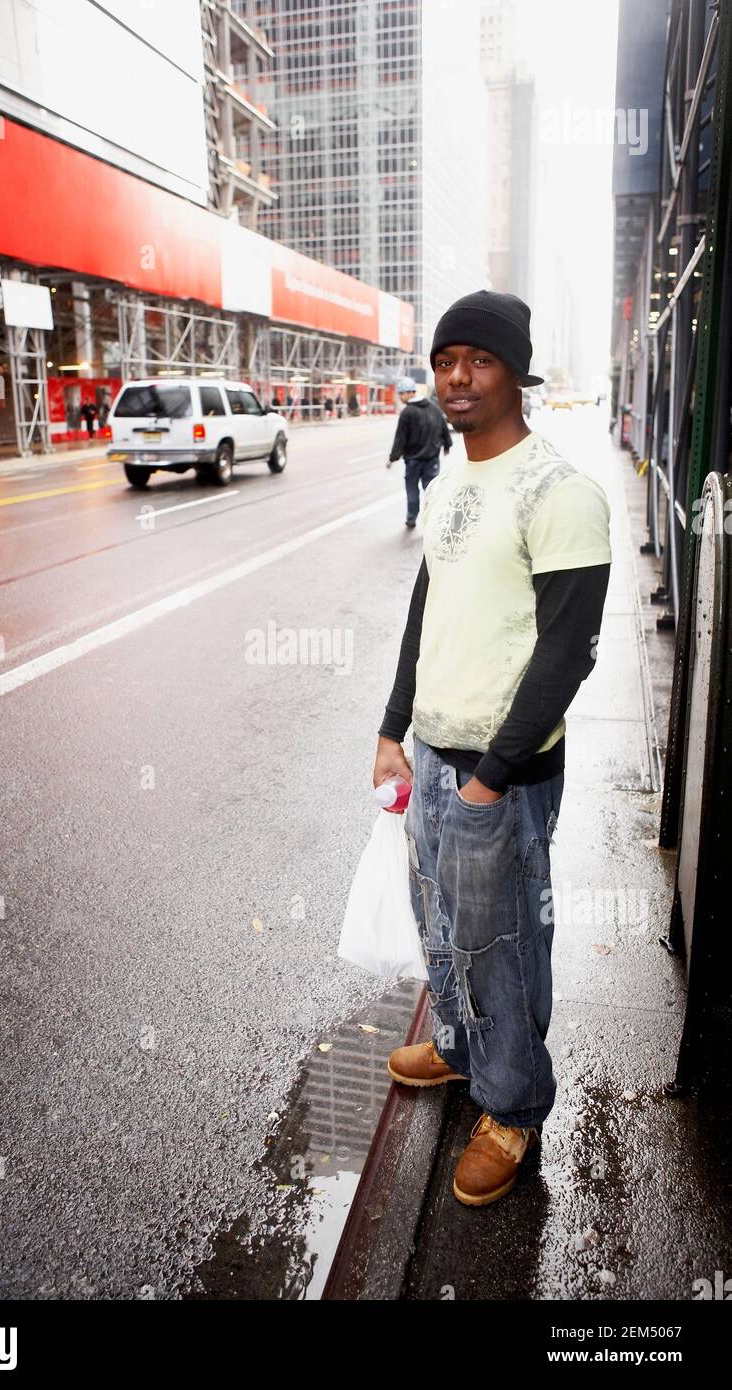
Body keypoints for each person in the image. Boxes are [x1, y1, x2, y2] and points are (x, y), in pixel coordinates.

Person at [373, 290, 612, 1206]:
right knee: (440, 920)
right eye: (444, 361)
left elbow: (568, 652)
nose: (456, 377)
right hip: (432, 754)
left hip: (500, 772)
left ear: (516, 371)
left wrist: (494, 778)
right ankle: (462, 1048)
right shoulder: (451, 484)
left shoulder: (561, 491)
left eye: (477, 359)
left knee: (504, 938)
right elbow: (426, 612)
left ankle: (511, 1106)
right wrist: (395, 729)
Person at [386, 377, 451, 527]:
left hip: (413, 461)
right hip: (432, 460)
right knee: (431, 492)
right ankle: (432, 520)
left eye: (401, 394)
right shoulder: (433, 407)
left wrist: (392, 458)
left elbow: (400, 439)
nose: (400, 397)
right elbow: (443, 427)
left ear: (409, 393)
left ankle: (411, 518)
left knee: (412, 490)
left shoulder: (407, 412)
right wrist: (447, 444)